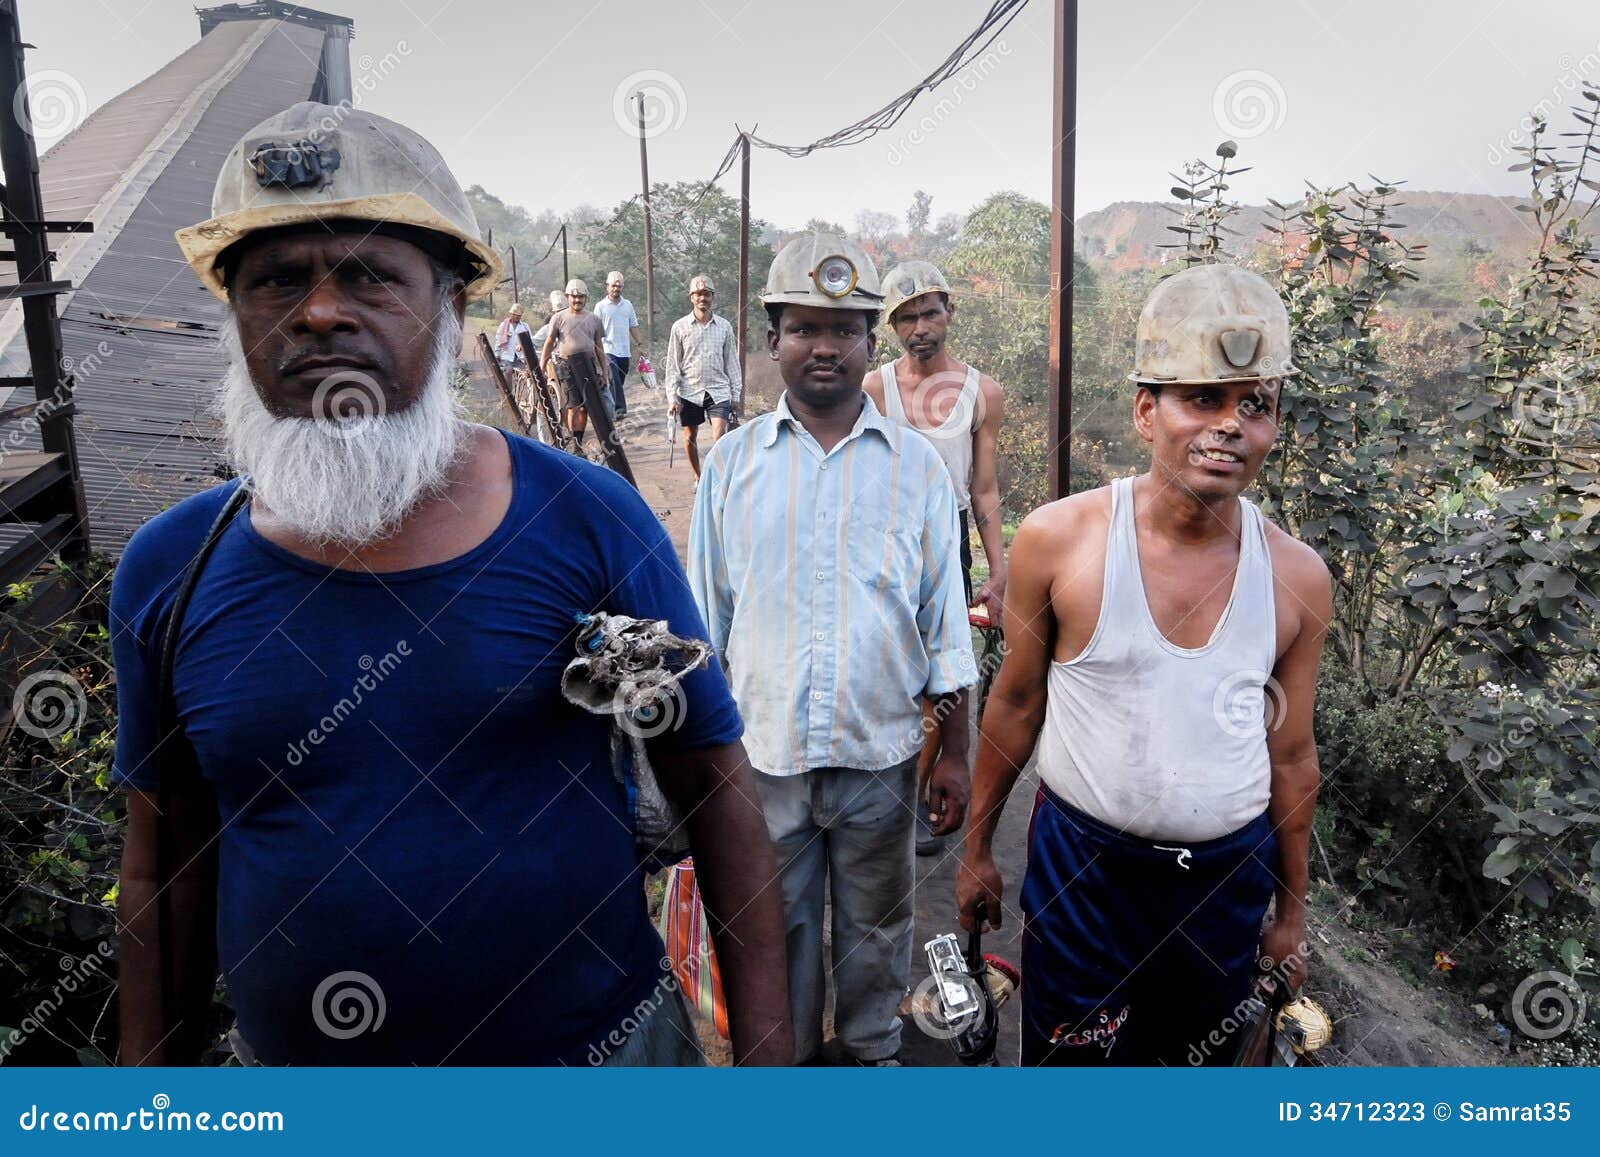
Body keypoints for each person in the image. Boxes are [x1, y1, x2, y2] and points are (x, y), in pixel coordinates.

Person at [116, 101, 792, 1068]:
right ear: (237, 314)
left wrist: (768, 1072)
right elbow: (165, 865)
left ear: (450, 306)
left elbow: (716, 790)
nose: (320, 311)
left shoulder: (585, 516)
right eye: (278, 279)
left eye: (370, 276)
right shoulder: (171, 570)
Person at [955, 263, 1331, 1066]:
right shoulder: (1060, 541)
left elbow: (1293, 755)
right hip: (1083, 874)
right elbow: (1015, 703)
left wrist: (1290, 913)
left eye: (1255, 405)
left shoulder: (1296, 578)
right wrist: (977, 850)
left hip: (1224, 886)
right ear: (1145, 411)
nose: (1230, 426)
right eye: (1203, 398)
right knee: (1072, 1071)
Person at [689, 234, 977, 1066]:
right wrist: (702, 767)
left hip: (880, 756)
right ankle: (783, 1064)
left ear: (868, 342)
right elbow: (704, 627)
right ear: (772, 338)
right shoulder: (732, 465)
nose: (825, 346)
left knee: (877, 925)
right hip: (764, 756)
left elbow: (944, 624)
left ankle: (870, 1051)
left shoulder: (917, 469)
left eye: (845, 329)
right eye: (804, 328)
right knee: (771, 926)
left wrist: (955, 752)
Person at [864, 261, 1007, 857]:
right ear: (892, 327)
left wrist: (998, 570)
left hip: (947, 540)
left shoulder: (980, 392)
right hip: (883, 539)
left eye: (928, 313)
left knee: (940, 673)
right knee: (884, 664)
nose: (919, 328)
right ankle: (875, 789)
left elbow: (983, 489)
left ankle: (918, 797)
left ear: (949, 312)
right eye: (906, 318)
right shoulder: (875, 390)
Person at [665, 274, 740, 480]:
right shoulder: (679, 327)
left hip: (718, 390)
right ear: (691, 297)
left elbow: (732, 363)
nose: (702, 298)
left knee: (719, 436)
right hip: (690, 391)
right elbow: (673, 365)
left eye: (706, 294)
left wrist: (735, 395)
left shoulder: (724, 327)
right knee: (690, 436)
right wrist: (672, 398)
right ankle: (698, 477)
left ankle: (715, 478)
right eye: (698, 294)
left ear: (712, 297)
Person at [540, 277, 610, 447]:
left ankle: (579, 440)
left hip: (588, 366)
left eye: (581, 297)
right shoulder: (558, 318)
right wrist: (541, 367)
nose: (577, 300)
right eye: (574, 297)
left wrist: (604, 372)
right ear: (568, 297)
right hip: (567, 367)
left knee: (586, 407)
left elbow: (599, 347)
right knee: (573, 407)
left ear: (586, 298)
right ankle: (575, 443)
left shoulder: (594, 319)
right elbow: (549, 342)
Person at [594, 270, 643, 418]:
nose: (616, 288)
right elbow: (595, 329)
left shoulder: (627, 305)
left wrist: (639, 344)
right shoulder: (600, 306)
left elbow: (633, 326)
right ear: (607, 287)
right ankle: (619, 410)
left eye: (619, 286)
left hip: (624, 350)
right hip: (608, 349)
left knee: (618, 381)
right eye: (613, 286)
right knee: (614, 379)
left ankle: (606, 406)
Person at [493, 301, 532, 372]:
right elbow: (498, 340)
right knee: (508, 371)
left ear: (521, 316)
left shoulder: (525, 326)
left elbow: (530, 341)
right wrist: (497, 355)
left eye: (518, 315)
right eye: (514, 314)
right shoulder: (504, 325)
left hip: (520, 357)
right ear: (511, 314)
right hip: (506, 356)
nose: (516, 317)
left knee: (525, 373)